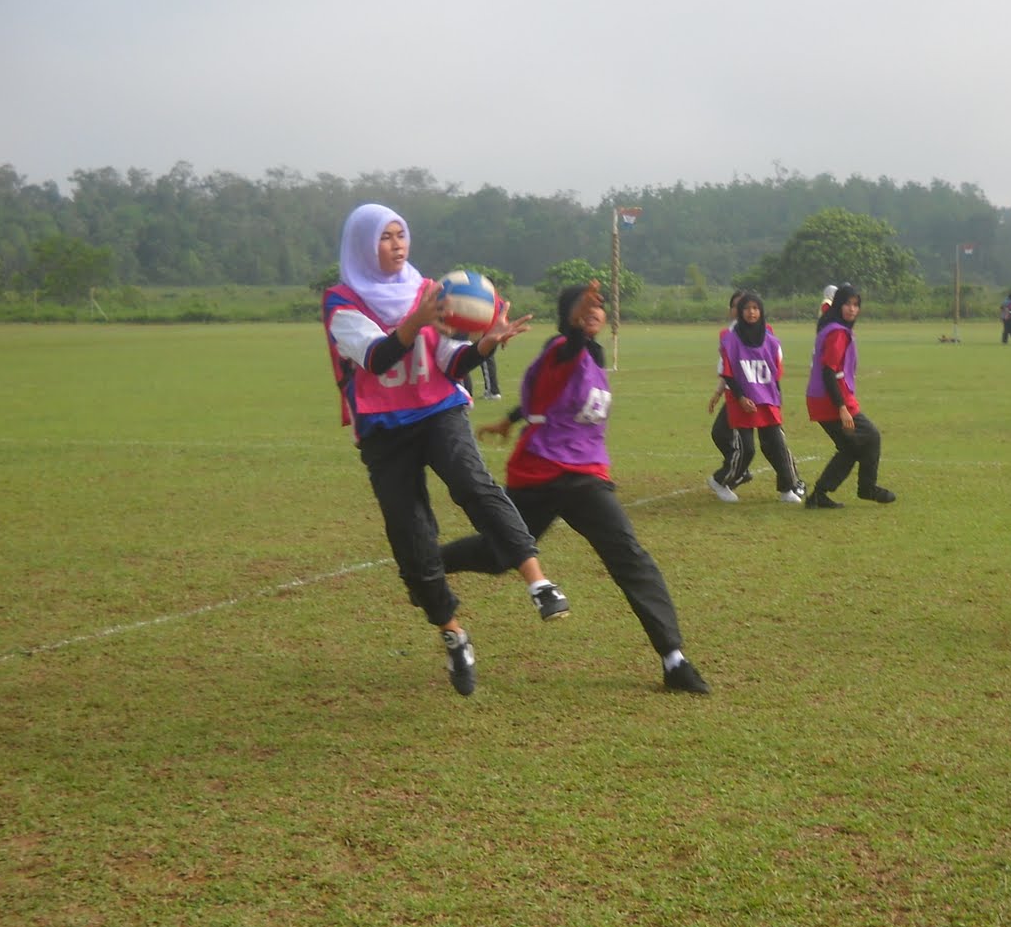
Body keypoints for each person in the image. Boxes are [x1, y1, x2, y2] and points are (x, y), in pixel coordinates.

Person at [322, 203, 569, 697]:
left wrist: (483, 346)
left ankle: (540, 584)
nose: (397, 245)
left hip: (438, 410)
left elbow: (447, 362)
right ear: (363, 246)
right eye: (386, 238)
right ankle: (453, 632)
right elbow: (376, 357)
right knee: (411, 541)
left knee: (472, 482)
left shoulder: (428, 289)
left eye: (402, 235)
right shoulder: (341, 302)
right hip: (384, 432)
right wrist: (415, 319)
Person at [441, 280, 711, 694]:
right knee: (499, 554)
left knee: (628, 557)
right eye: (585, 309)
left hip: (583, 476)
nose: (594, 313)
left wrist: (509, 420)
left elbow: (549, 395)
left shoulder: (589, 356)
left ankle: (673, 660)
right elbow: (563, 355)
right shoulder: (562, 348)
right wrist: (575, 324)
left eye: (598, 309)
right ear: (570, 318)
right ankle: (431, 562)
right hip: (542, 472)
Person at [706, 290, 805, 504]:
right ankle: (720, 480)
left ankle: (787, 488)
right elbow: (728, 372)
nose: (751, 312)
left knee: (777, 443)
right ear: (739, 312)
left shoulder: (771, 340)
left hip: (767, 399)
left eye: (755, 308)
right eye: (747, 309)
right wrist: (740, 397)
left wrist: (777, 398)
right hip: (742, 401)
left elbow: (775, 373)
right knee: (746, 449)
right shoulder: (731, 339)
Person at [804, 283, 895, 509]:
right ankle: (867, 488)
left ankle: (819, 495)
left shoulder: (832, 327)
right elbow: (829, 372)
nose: (852, 309)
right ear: (838, 305)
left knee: (851, 447)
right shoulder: (837, 332)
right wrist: (841, 407)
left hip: (821, 397)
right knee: (871, 436)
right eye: (847, 304)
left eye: (856, 305)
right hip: (830, 399)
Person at [707, 290, 752, 494]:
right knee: (720, 433)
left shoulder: (753, 333)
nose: (739, 310)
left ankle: (732, 473)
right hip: (732, 392)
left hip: (746, 394)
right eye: (736, 306)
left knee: (748, 444)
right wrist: (717, 393)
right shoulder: (727, 334)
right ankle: (739, 470)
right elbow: (726, 368)